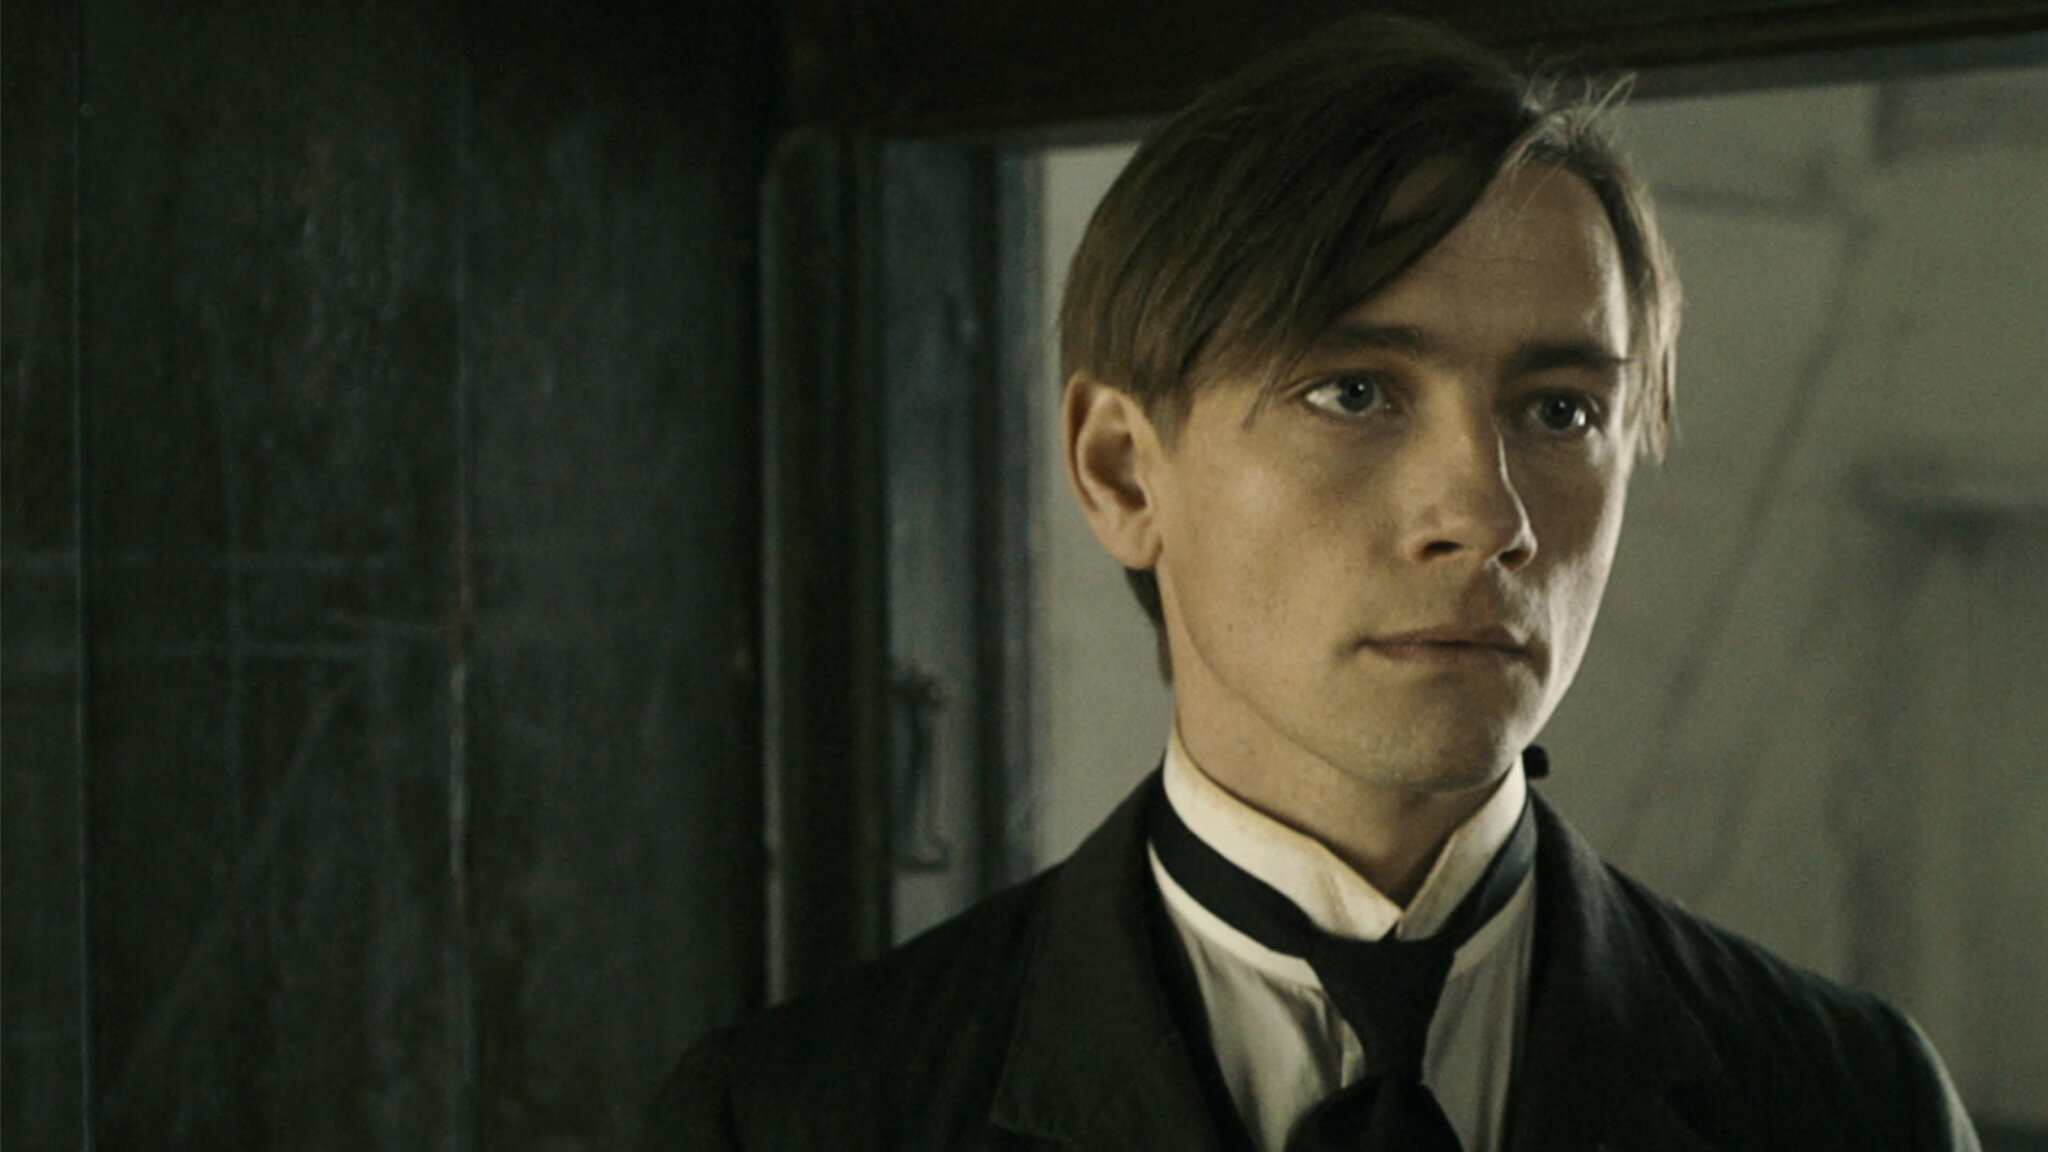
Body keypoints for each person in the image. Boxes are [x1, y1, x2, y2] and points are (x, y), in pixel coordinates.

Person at [642, 14, 1980, 1151]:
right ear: (1122, 472)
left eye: (1561, 410)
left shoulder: (1856, 1107)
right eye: (1352, 392)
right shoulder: (793, 1121)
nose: (1486, 516)